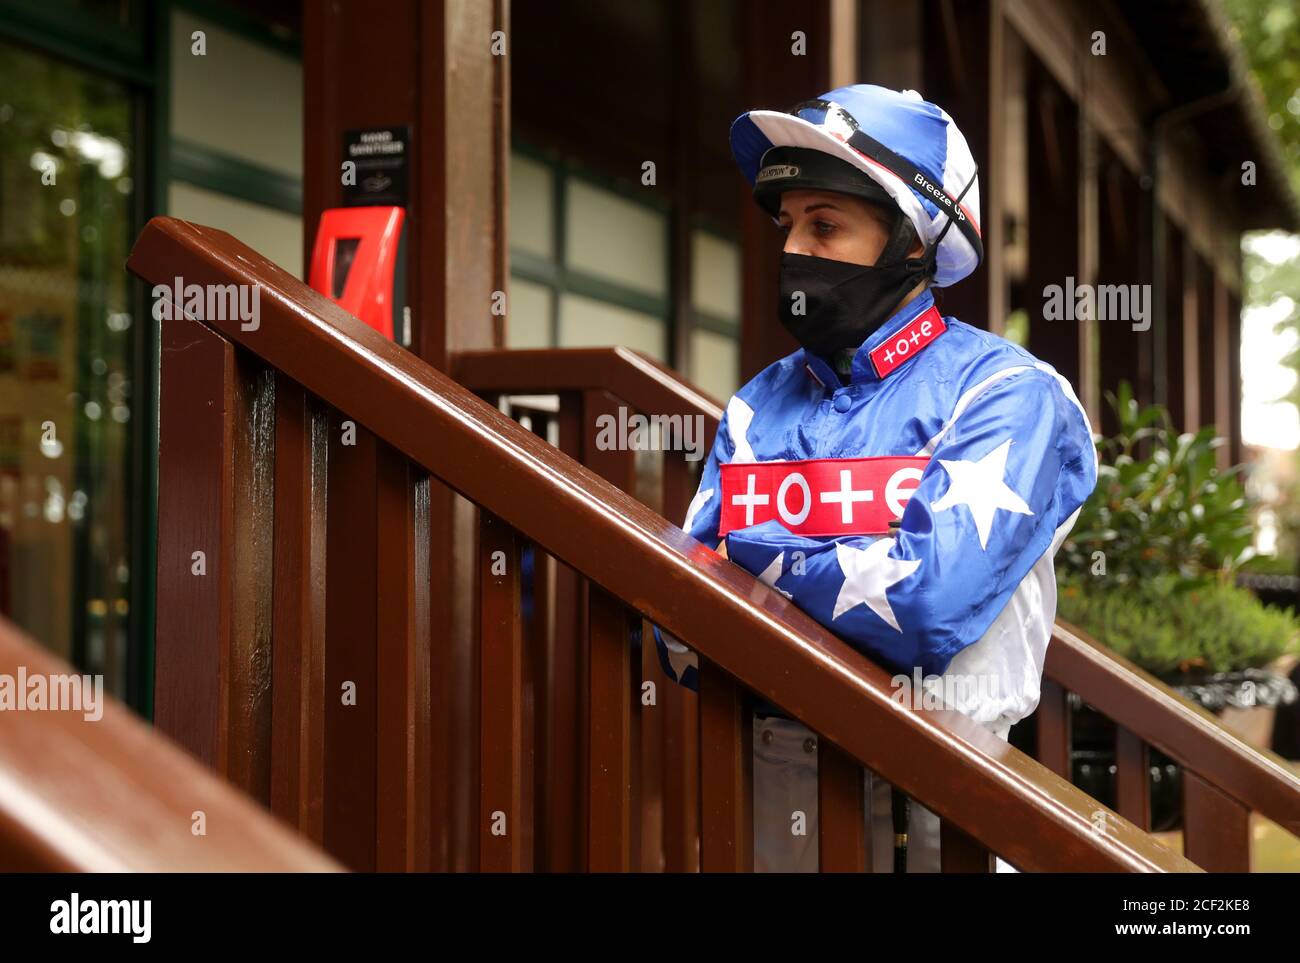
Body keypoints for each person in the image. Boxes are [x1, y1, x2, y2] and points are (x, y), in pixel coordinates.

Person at [653, 84, 1098, 872]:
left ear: (912, 243)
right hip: (771, 800)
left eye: (826, 225)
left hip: (950, 808)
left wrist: (756, 557)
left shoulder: (1009, 392)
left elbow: (927, 611)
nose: (795, 250)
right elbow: (680, 630)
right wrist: (850, 567)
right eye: (788, 224)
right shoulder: (758, 403)